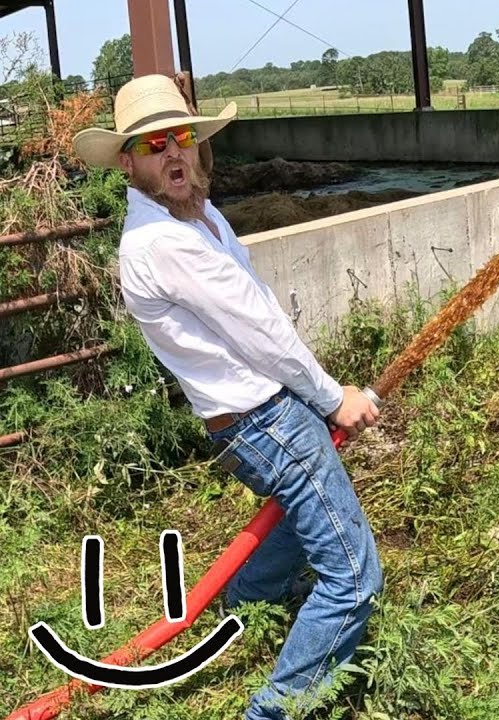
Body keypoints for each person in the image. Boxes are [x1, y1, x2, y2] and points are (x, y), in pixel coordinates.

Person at [72, 74, 383, 720]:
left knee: (301, 523)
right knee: (353, 579)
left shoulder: (195, 213)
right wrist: (333, 399)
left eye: (180, 137)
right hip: (263, 419)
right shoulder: (161, 243)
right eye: (154, 145)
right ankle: (270, 711)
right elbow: (262, 331)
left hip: (261, 413)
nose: (174, 153)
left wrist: (320, 397)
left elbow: (256, 313)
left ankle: (246, 606)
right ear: (127, 163)